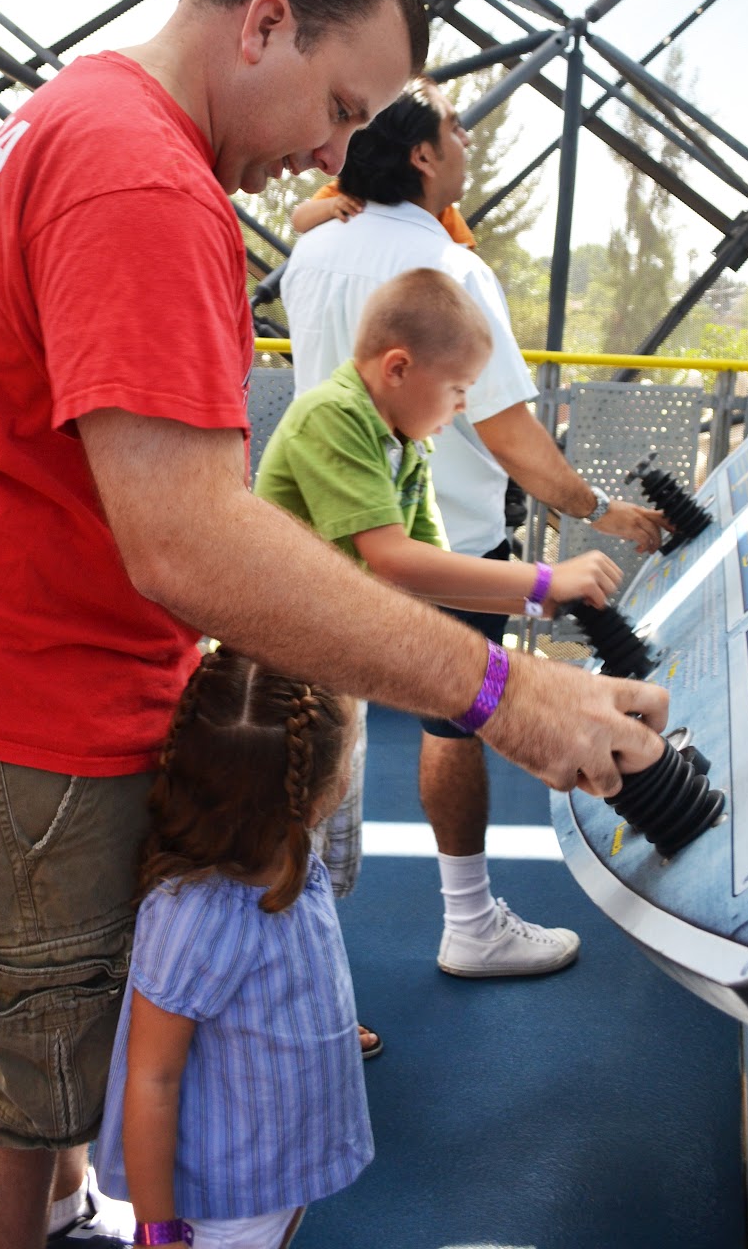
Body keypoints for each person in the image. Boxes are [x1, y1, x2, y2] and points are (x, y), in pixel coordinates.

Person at [0, 0, 667, 1249]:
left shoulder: (80, 118)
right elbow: (187, 537)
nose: (332, 157)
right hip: (13, 716)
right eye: (335, 107)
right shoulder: (141, 182)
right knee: (19, 1087)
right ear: (261, 21)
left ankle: (64, 1220)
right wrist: (502, 695)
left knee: (33, 1045)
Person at [281, 78, 668, 980]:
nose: (466, 140)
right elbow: (508, 435)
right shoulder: (451, 274)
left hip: (320, 545)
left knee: (313, 753)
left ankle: (289, 963)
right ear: (422, 155)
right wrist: (595, 516)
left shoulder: (317, 249)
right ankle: (468, 924)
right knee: (459, 721)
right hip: (443, 544)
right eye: (454, 128)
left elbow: (309, 222)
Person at [256, 267, 622, 999]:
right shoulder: (335, 418)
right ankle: (279, 1013)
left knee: (325, 854)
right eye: (457, 392)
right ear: (398, 368)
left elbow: (433, 571)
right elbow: (390, 557)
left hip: (333, 675)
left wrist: (532, 605)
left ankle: (295, 1001)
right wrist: (544, 580)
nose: (458, 412)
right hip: (275, 682)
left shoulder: (401, 442)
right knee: (278, 853)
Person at [92, 648, 370, 1249]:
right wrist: (159, 1231)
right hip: (222, 1204)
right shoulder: (197, 916)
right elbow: (152, 1079)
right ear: (322, 792)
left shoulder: (292, 860)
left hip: (275, 1170)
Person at [291, 173, 477, 247]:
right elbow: (299, 219)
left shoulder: (432, 200)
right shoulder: (345, 191)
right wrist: (332, 206)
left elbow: (464, 248)